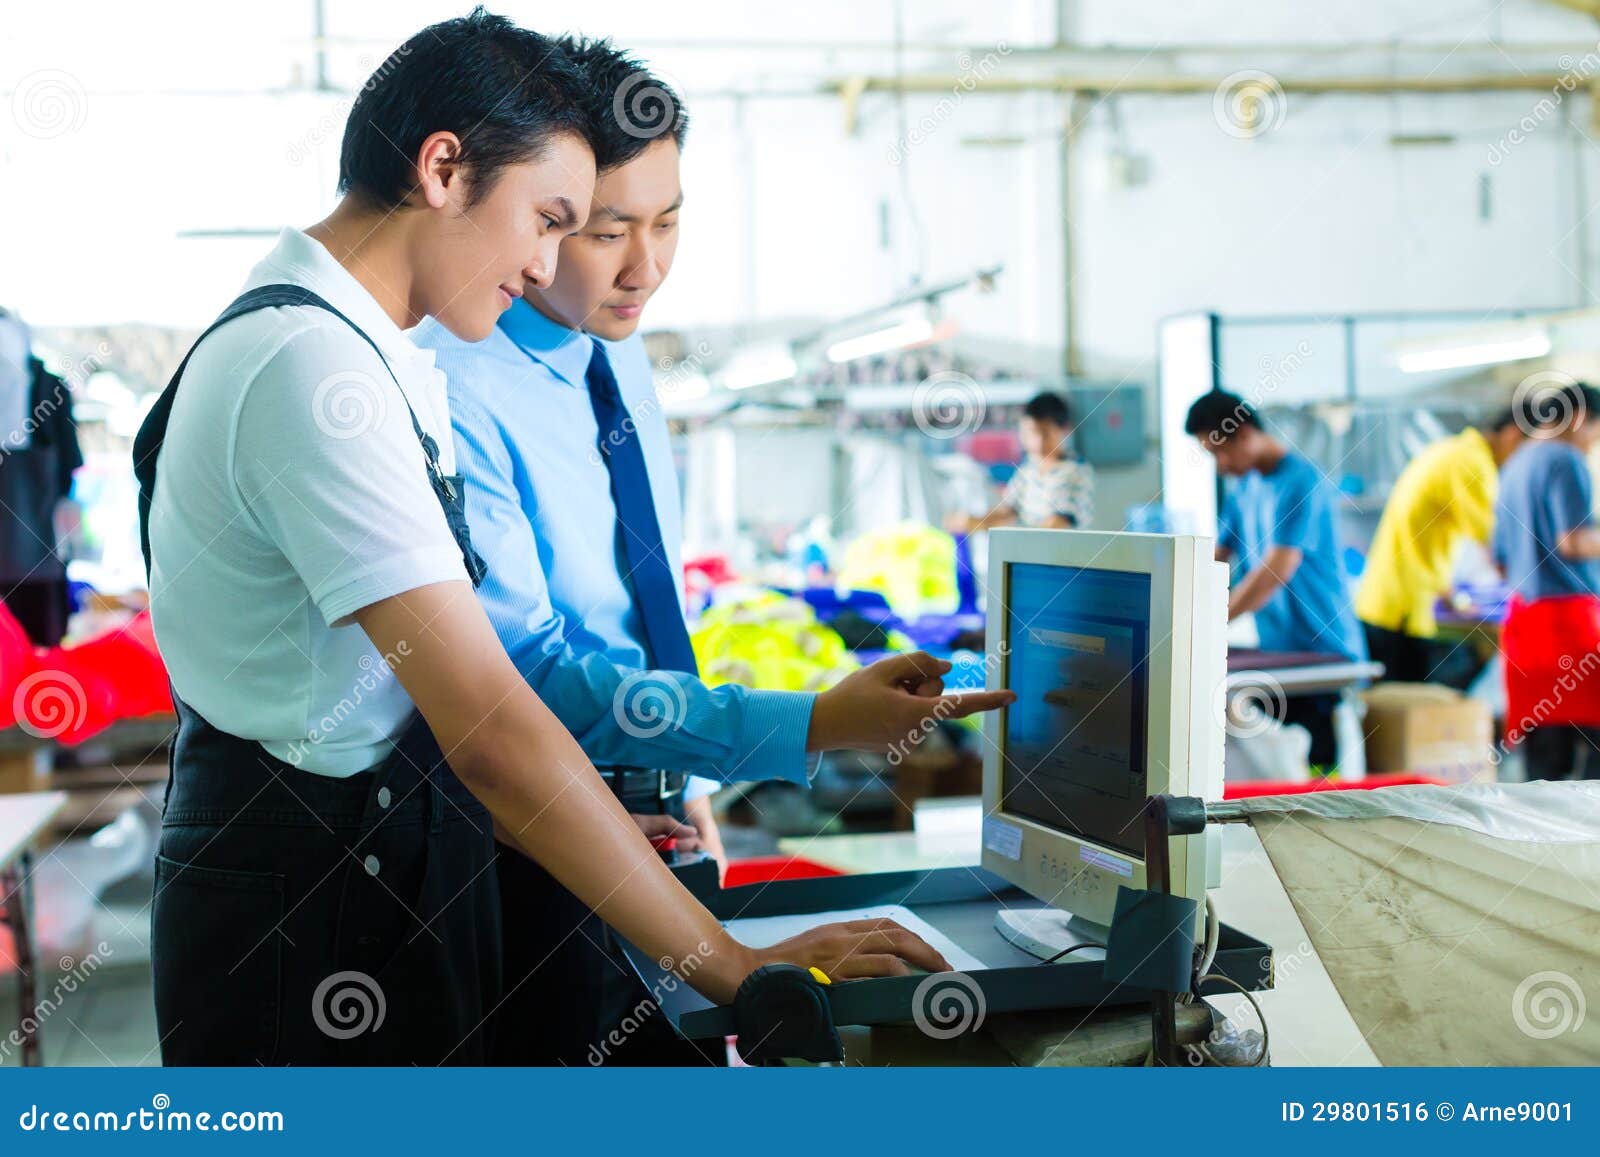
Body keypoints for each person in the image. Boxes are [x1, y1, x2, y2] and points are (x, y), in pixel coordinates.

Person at [137, 11, 979, 1067]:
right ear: (444, 167)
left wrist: (632, 831)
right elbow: (492, 723)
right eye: (553, 219)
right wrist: (736, 964)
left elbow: (428, 714)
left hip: (379, 866)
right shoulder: (312, 369)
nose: (546, 266)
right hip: (303, 907)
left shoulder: (368, 356)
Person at [417, 37, 1011, 1065]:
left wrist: (683, 776)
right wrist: (815, 719)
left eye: (670, 219)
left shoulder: (624, 356)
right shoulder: (453, 385)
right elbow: (528, 684)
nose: (645, 265)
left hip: (651, 820)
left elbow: (644, 606)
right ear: (537, 213)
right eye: (606, 230)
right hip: (530, 842)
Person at [1186, 389, 1366, 769]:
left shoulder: (1302, 482)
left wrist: (1210, 624)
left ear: (1246, 433)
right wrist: (1185, 601)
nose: (1219, 465)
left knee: (1320, 783)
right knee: (1284, 773)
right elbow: (1217, 559)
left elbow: (1274, 571)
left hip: (1322, 653)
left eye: (1220, 452)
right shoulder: (1244, 488)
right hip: (1281, 655)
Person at [1356, 402, 1541, 687]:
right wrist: (1538, 596)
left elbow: (1427, 537)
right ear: (1513, 434)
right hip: (1402, 606)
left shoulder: (1453, 451)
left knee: (1399, 709)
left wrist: (1448, 594)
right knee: (1407, 711)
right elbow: (1498, 545)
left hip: (1390, 598)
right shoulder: (1473, 464)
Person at [1492, 380, 1600, 780]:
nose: (1590, 445)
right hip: (1567, 623)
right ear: (1578, 418)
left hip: (1524, 623)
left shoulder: (1514, 464)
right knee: (1592, 753)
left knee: (1543, 765)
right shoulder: (1565, 459)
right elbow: (1572, 540)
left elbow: (1499, 559)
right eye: (1594, 434)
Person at [0, 309, 82, 646]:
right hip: (36, 555)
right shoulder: (49, 387)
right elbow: (69, 472)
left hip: (36, 552)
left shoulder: (50, 387)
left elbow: (67, 476)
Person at [946, 390, 1093, 533]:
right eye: (1032, 432)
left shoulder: (1075, 471)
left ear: (1064, 429)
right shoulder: (1028, 471)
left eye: (1046, 433)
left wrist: (1022, 547)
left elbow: (1057, 525)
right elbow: (1008, 512)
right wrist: (972, 522)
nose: (1039, 442)